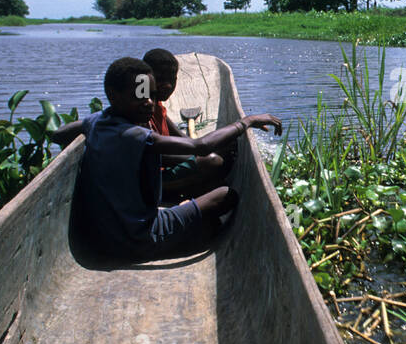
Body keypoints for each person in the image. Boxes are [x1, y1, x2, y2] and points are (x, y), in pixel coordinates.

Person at [51, 57, 282, 260]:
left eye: (151, 95)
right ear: (114, 95)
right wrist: (246, 122)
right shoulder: (135, 136)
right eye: (140, 95)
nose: (149, 102)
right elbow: (200, 146)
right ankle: (187, 227)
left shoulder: (95, 121)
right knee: (226, 196)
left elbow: (58, 133)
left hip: (104, 238)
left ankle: (180, 212)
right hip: (138, 240)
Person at [139, 48, 230, 202]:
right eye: (161, 79)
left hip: (163, 169)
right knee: (213, 161)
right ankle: (176, 194)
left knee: (226, 146)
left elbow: (180, 136)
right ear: (147, 78)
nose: (167, 85)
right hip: (151, 178)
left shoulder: (156, 104)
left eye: (172, 79)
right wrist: (197, 154)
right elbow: (155, 157)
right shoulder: (141, 110)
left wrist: (203, 146)